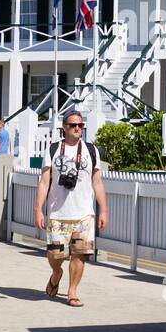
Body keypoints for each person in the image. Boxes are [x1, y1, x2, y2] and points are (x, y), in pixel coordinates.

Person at [34, 109, 107, 307]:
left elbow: (97, 182)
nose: (77, 128)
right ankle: (57, 273)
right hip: (58, 212)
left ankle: (72, 291)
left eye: (80, 125)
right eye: (73, 125)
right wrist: (38, 210)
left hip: (84, 213)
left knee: (79, 253)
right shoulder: (53, 149)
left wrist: (104, 210)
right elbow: (44, 182)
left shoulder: (91, 150)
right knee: (55, 255)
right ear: (64, 128)